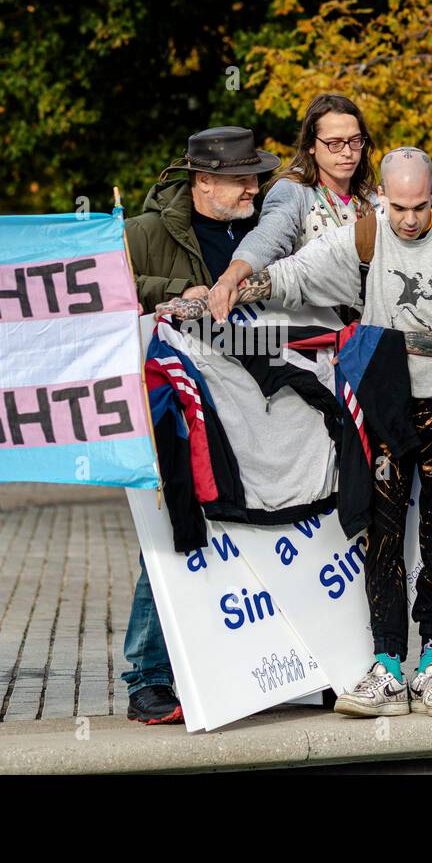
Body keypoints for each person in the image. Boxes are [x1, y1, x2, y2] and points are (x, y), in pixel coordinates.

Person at [160, 147, 432, 719]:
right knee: (382, 529)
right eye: (398, 207)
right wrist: (234, 289)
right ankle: (388, 665)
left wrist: (382, 338)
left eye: (420, 207)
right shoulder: (366, 235)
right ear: (384, 198)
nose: (409, 220)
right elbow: (298, 273)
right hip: (386, 403)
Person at [121, 126, 280, 724]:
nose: (253, 188)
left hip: (258, 401)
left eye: (256, 177)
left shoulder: (264, 234)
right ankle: (147, 678)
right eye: (241, 180)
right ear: (202, 182)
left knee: (258, 523)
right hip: (173, 407)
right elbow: (105, 290)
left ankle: (264, 661)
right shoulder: (145, 232)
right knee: (172, 529)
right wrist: (174, 291)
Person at [206, 92, 378, 322]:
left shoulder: (372, 197)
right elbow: (267, 239)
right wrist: (229, 277)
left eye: (355, 141)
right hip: (315, 329)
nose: (347, 152)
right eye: (334, 143)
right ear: (311, 146)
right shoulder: (293, 190)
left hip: (371, 324)